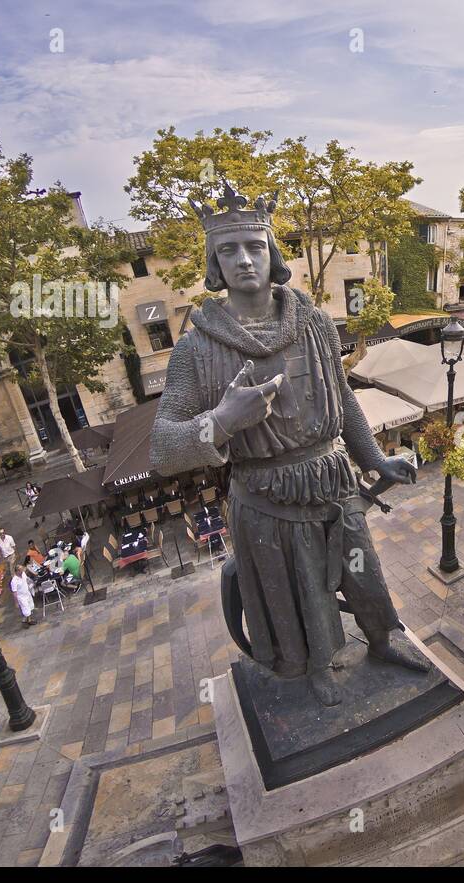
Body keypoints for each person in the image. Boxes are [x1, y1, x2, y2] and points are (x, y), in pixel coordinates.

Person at [150, 182, 424, 707]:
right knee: (302, 594)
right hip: (265, 498)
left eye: (254, 246)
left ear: (272, 253)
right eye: (228, 250)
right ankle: (316, 665)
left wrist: (374, 460)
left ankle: (386, 639)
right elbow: (163, 449)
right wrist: (223, 421)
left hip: (332, 481)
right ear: (213, 262)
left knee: (363, 570)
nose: (244, 260)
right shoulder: (196, 347)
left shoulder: (315, 323)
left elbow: (342, 398)